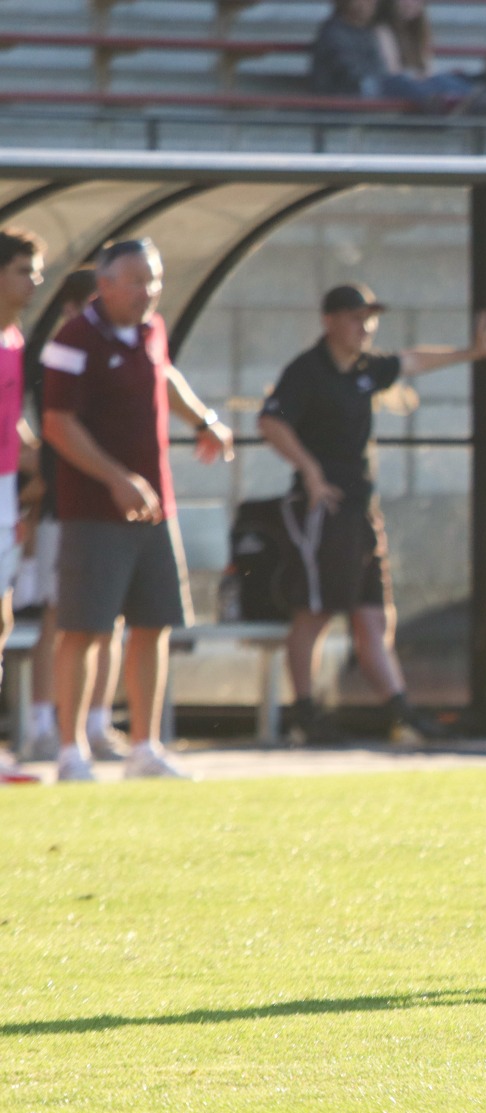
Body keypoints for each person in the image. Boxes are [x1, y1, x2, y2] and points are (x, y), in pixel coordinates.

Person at [259, 284, 486, 745]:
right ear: (330, 321)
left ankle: (401, 713)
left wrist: (472, 352)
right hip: (324, 508)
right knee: (315, 613)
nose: (366, 327)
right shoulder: (307, 371)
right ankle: (305, 714)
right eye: (356, 318)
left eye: (370, 318)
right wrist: (311, 472)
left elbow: (411, 361)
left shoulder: (367, 368)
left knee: (373, 618)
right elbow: (270, 421)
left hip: (360, 509)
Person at [41, 238, 235, 782]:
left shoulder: (152, 329)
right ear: (104, 284)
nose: (147, 292)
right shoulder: (73, 339)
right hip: (93, 513)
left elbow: (164, 374)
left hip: (156, 511)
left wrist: (204, 421)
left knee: (154, 625)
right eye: (136, 281)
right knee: (83, 629)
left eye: (154, 280)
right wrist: (116, 479)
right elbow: (57, 424)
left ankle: (145, 749)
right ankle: (71, 752)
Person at [18, 269, 129, 766]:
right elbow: (53, 431)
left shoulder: (128, 350)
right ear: (70, 309)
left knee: (109, 618)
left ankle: (97, 724)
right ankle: (44, 725)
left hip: (114, 507)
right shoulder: (58, 355)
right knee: (60, 616)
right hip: (64, 508)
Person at [0, 230, 43, 784]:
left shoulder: (13, 339)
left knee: (2, 616)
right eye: (22, 271)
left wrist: (42, 461)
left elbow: (12, 422)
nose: (34, 281)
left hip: (6, 487)